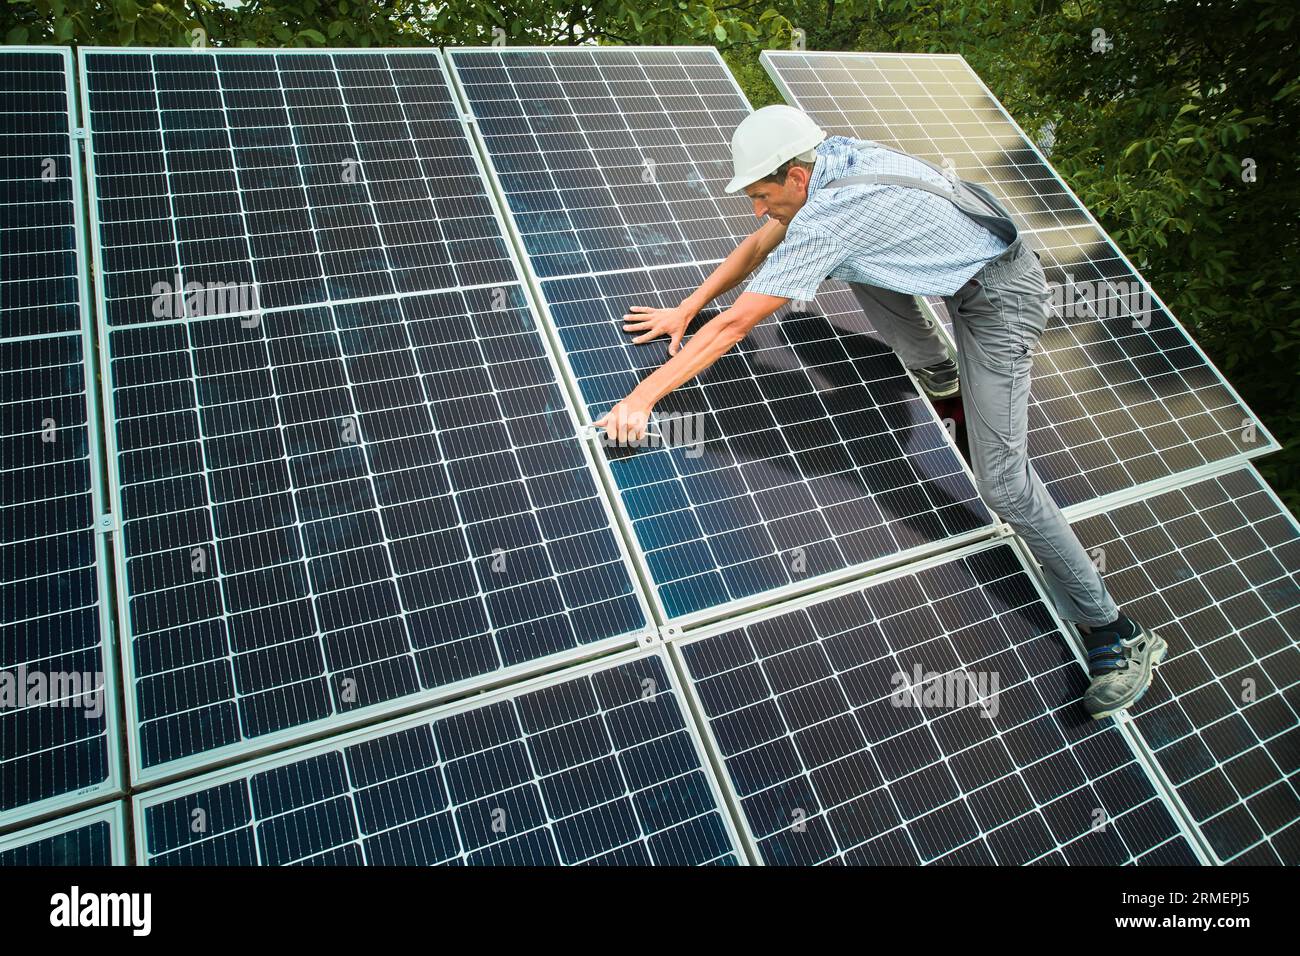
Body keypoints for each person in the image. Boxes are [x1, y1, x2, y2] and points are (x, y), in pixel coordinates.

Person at [595, 105, 1166, 719]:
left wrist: (642, 398)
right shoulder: (834, 158)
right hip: (962, 266)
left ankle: (1117, 632)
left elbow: (739, 323)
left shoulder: (831, 213)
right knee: (849, 257)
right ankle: (939, 370)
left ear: (794, 177)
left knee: (1003, 485)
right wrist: (685, 308)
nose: (758, 208)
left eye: (762, 194)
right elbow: (761, 244)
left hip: (1002, 300)